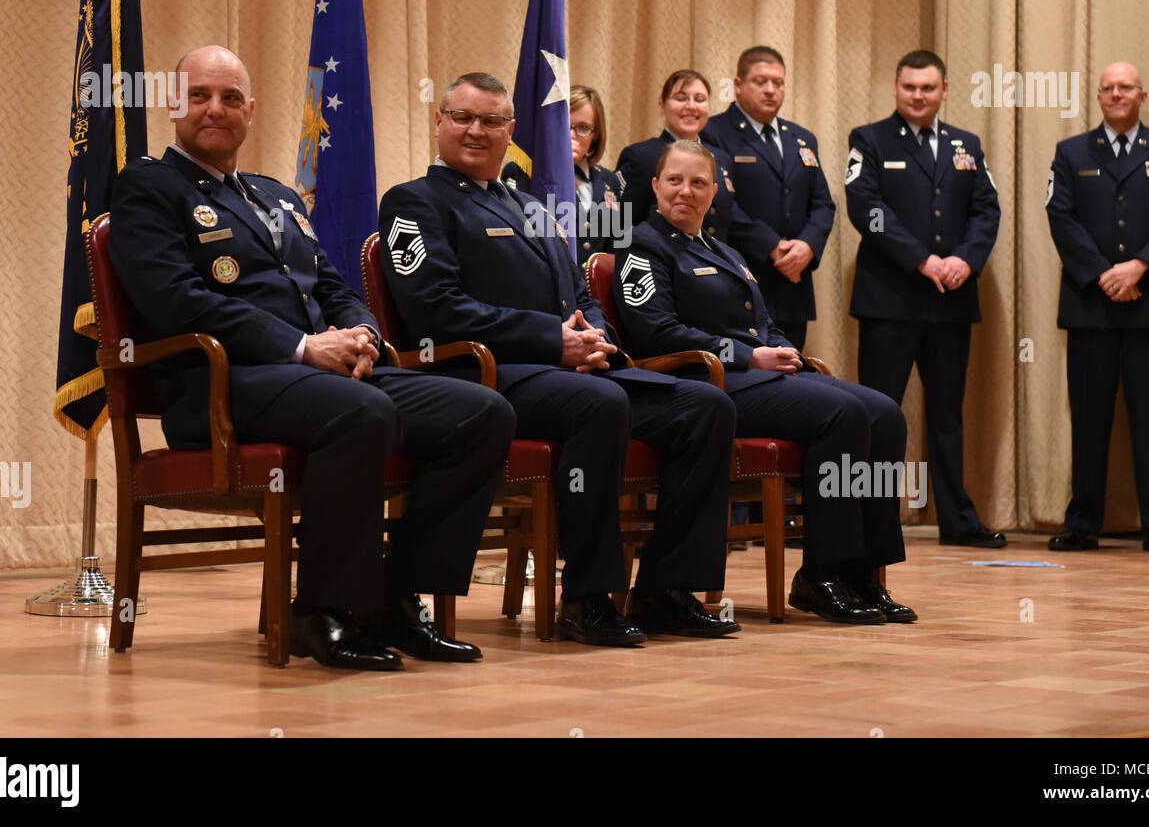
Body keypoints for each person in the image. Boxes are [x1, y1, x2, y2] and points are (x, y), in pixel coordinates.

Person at [109, 45, 515, 671]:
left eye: (231, 98)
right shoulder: (146, 187)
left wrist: (359, 332)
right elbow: (174, 302)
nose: (215, 109)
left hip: (319, 379)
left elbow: (330, 284)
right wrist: (301, 346)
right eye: (199, 96)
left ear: (251, 110)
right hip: (220, 386)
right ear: (172, 106)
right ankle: (320, 611)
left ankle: (396, 598)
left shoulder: (275, 195)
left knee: (481, 412)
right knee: (361, 411)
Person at [378, 72, 739, 645]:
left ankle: (666, 589)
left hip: (566, 370)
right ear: (439, 122)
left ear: (511, 131)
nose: (477, 130)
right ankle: (589, 597)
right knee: (596, 405)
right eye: (464, 118)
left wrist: (596, 339)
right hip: (480, 377)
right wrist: (554, 340)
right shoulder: (412, 202)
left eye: (492, 120)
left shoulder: (531, 206)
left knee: (706, 407)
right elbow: (435, 313)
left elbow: (583, 294)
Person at [614, 141, 914, 624]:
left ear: (714, 192)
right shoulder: (642, 245)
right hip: (706, 383)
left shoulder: (724, 250)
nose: (684, 192)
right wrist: (748, 355)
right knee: (843, 414)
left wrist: (782, 351)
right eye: (674, 181)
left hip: (757, 379)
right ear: (655, 186)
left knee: (886, 414)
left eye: (697, 183)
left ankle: (863, 571)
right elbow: (656, 331)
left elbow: (765, 321)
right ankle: (822, 573)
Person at [843, 50, 1005, 549]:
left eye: (928, 88)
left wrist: (966, 260)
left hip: (950, 301)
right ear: (895, 88)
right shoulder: (868, 140)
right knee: (880, 413)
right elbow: (865, 208)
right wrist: (921, 259)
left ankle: (957, 519)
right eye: (910, 87)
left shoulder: (967, 144)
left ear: (944, 90)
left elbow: (987, 209)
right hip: (889, 301)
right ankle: (872, 521)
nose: (918, 96)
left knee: (948, 414)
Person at [1045, 62, 1149, 555]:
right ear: (1098, 96)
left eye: (1126, 87)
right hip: (1091, 303)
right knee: (1089, 415)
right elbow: (1061, 217)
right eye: (1109, 88)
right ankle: (1081, 523)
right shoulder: (1070, 153)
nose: (1117, 94)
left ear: (1142, 95)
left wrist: (1139, 267)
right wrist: (1104, 274)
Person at [702, 46, 835, 349]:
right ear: (738, 85)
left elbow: (823, 203)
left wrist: (807, 247)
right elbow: (717, 203)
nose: (771, 90)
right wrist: (772, 246)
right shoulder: (713, 132)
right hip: (741, 278)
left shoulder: (801, 138)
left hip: (793, 283)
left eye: (778, 83)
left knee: (793, 381)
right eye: (760, 82)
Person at [615, 69, 752, 245]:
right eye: (681, 98)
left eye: (700, 99)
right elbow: (618, 225)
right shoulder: (641, 156)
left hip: (713, 265)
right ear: (661, 105)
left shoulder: (721, 158)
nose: (691, 106)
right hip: (661, 264)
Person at [502, 86, 626, 260]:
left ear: (595, 134)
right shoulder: (522, 173)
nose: (570, 136)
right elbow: (517, 241)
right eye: (563, 125)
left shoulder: (609, 180)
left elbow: (621, 244)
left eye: (583, 127)